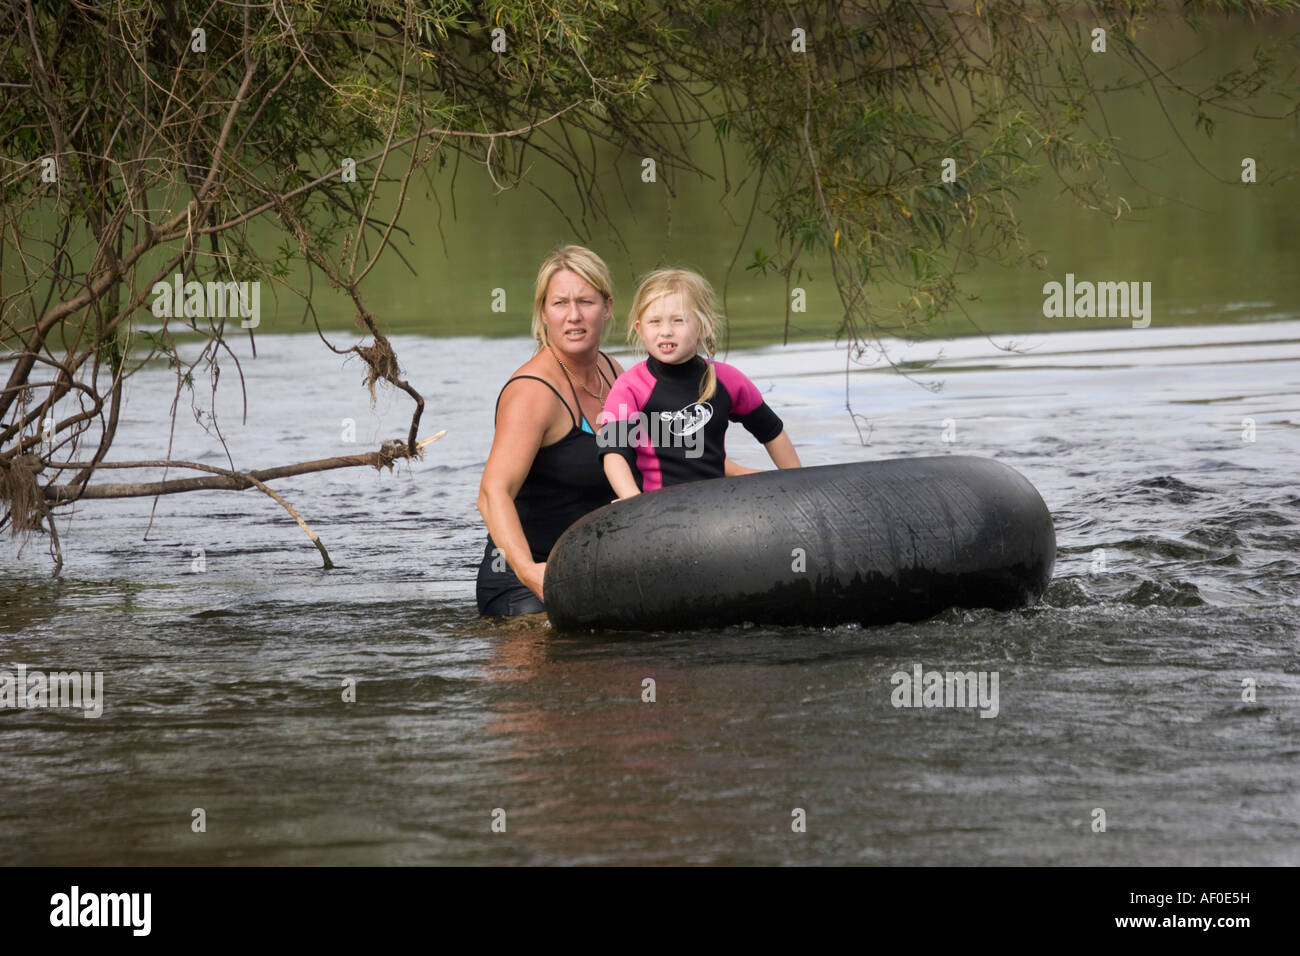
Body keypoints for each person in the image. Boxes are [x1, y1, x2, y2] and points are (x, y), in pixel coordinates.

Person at [476, 246, 622, 616]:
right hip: (527, 585)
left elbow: (666, 457)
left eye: (585, 301)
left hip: (597, 571)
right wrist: (529, 573)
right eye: (560, 303)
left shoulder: (615, 373)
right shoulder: (533, 393)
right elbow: (492, 494)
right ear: (543, 312)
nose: (574, 316)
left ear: (606, 307)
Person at [597, 268, 801, 497]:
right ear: (639, 329)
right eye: (654, 322)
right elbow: (613, 452)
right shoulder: (629, 387)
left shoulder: (728, 380)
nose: (666, 331)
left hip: (716, 509)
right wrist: (631, 500)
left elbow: (772, 432)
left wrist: (798, 486)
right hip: (655, 513)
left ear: (704, 327)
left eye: (678, 321)